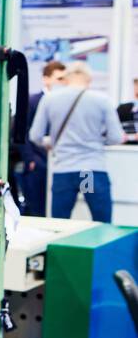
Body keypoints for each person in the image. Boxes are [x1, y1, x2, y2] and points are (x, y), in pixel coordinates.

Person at [29, 62, 125, 222]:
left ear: (66, 79)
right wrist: (97, 140)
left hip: (64, 170)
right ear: (89, 80)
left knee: (60, 224)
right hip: (90, 170)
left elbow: (35, 136)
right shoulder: (102, 100)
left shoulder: (50, 99)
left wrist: (51, 142)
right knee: (101, 222)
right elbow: (116, 137)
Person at [13, 60, 65, 216]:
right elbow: (21, 130)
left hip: (59, 164)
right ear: (46, 79)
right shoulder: (32, 101)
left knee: (55, 209)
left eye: (64, 79)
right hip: (37, 164)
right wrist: (31, 160)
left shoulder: (65, 102)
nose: (62, 83)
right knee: (37, 210)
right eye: (59, 78)